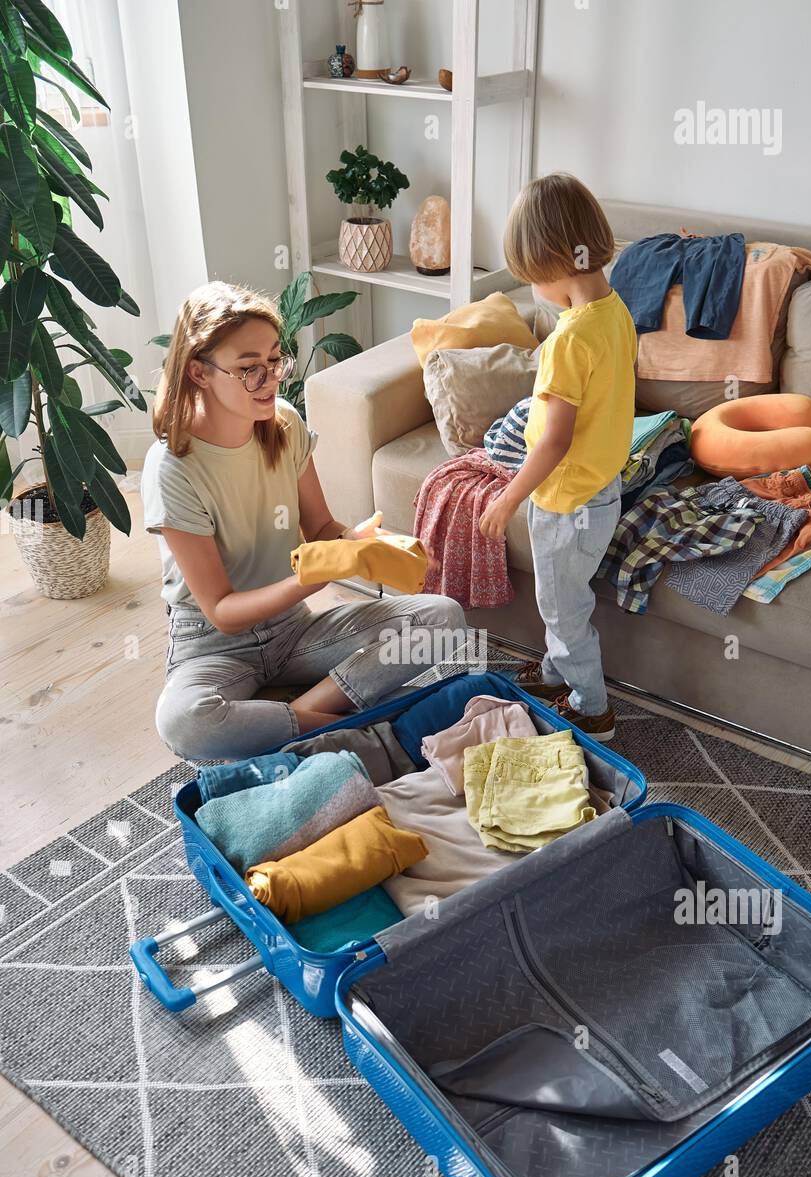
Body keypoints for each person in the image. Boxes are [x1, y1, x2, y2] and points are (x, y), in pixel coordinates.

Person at [141, 281, 464, 760]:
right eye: (249, 369)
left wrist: (360, 543)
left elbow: (322, 530)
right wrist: (316, 574)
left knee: (444, 620)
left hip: (294, 631)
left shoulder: (284, 425)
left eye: (275, 360)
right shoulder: (172, 468)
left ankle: (308, 717)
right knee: (185, 722)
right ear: (199, 372)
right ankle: (359, 727)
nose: (270, 380)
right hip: (212, 646)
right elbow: (222, 611)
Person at [479, 173, 636, 742]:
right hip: (600, 490)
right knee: (565, 598)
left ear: (550, 263)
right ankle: (554, 674)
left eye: (529, 279)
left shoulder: (570, 341)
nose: (530, 291)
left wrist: (507, 496)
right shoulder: (614, 312)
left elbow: (554, 442)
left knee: (563, 609)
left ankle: (593, 708)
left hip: (567, 501)